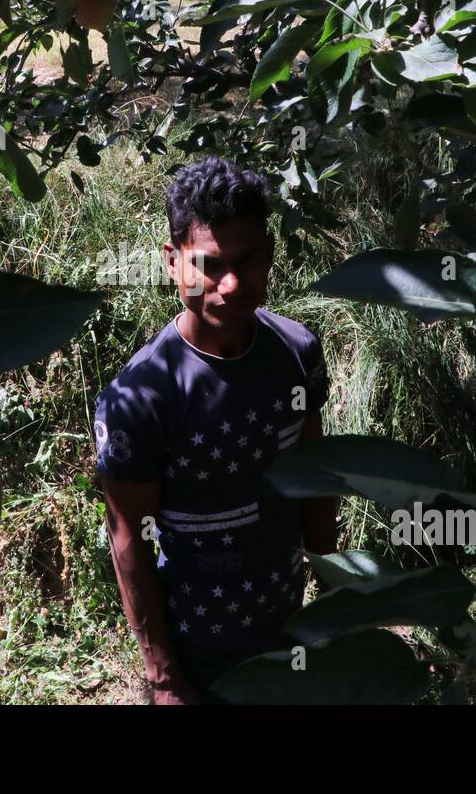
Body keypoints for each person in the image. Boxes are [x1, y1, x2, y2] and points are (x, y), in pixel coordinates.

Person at [94, 156, 338, 704]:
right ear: (171, 262)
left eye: (248, 260)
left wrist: (333, 597)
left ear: (270, 254)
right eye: (206, 264)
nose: (229, 284)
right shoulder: (140, 396)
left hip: (286, 622)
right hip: (196, 645)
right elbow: (129, 536)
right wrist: (163, 675)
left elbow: (314, 474)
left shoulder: (298, 353)